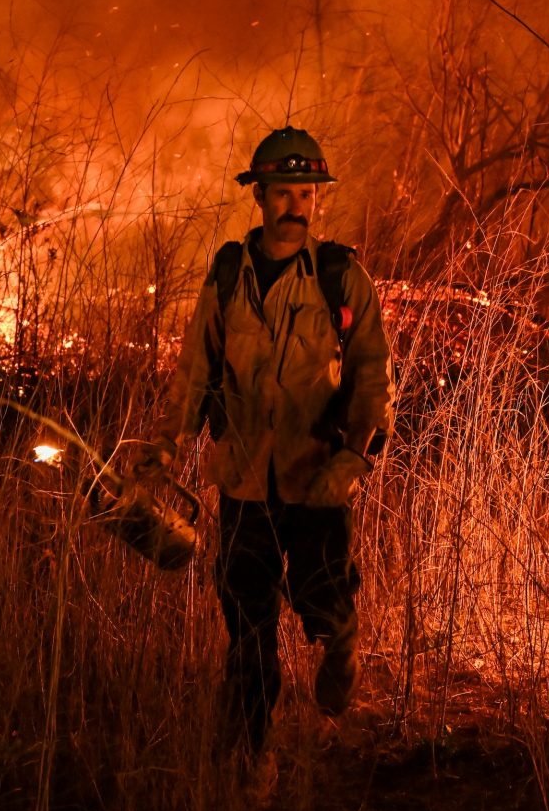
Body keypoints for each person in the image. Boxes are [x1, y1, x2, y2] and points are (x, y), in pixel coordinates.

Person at [138, 126, 395, 756]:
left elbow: (371, 377)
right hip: (245, 482)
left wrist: (354, 459)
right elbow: (196, 370)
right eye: (283, 193)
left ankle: (341, 644)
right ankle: (251, 755)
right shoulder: (229, 275)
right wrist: (166, 445)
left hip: (317, 481)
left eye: (306, 194)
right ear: (260, 197)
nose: (296, 207)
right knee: (248, 628)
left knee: (323, 603)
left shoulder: (341, 278)